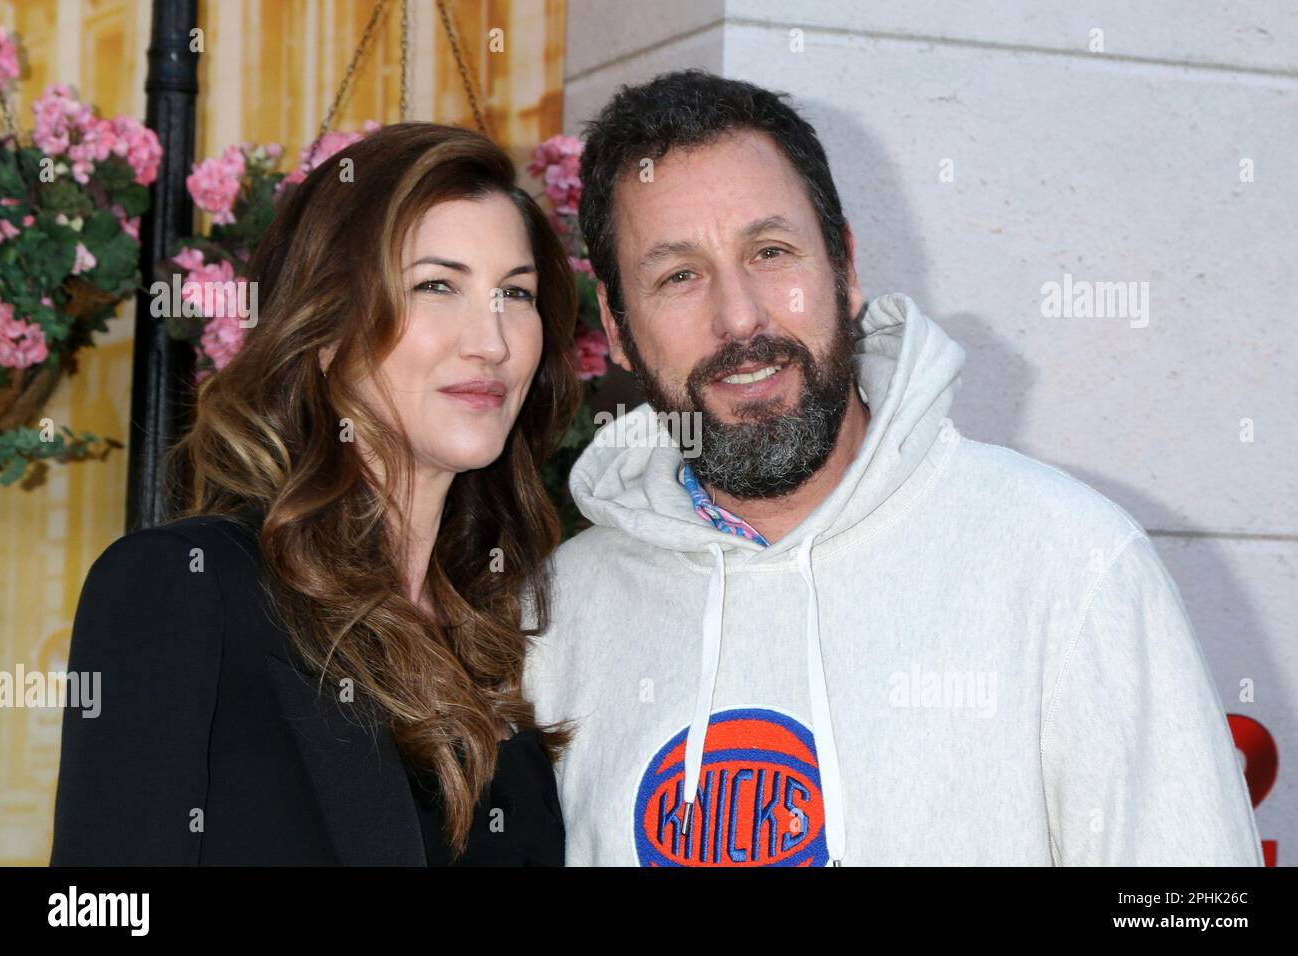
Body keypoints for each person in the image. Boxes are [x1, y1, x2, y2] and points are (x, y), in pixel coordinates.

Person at [520, 70, 1264, 866]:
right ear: (619, 329)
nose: (739, 317)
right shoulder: (556, 619)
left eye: (771, 252)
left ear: (844, 266)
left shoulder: (1068, 564)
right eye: (678, 276)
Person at [51, 122, 580, 865]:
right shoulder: (186, 588)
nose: (491, 340)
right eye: (438, 284)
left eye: (514, 293)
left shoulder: (509, 633)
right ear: (325, 323)